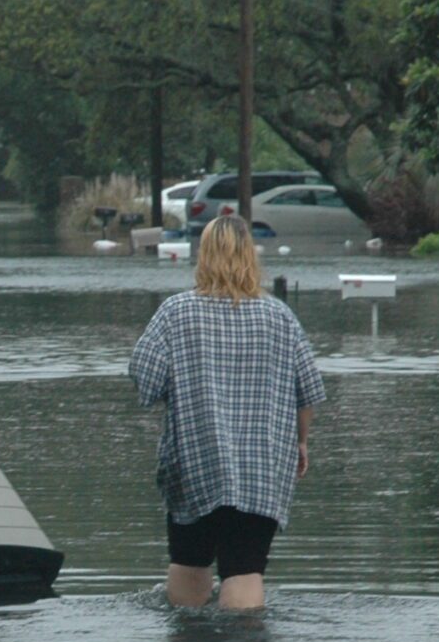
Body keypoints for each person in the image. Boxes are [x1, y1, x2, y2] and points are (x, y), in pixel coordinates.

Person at [129, 213, 326, 610]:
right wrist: (300, 442)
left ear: (203, 257)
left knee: (189, 562)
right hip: (262, 469)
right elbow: (308, 393)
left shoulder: (175, 313)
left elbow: (144, 382)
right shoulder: (280, 317)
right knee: (245, 568)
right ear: (250, 257)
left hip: (193, 465)